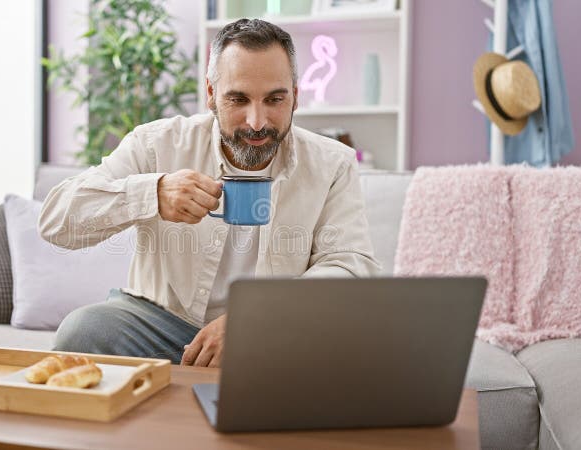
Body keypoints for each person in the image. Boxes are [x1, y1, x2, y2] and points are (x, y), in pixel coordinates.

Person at [39, 18, 381, 368]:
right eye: (238, 99)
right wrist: (152, 194)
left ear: (295, 95)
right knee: (83, 331)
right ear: (211, 94)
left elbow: (351, 267)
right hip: (162, 328)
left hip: (274, 332)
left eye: (274, 99)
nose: (257, 121)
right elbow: (55, 221)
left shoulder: (332, 163)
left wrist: (256, 318)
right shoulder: (157, 144)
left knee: (358, 354)